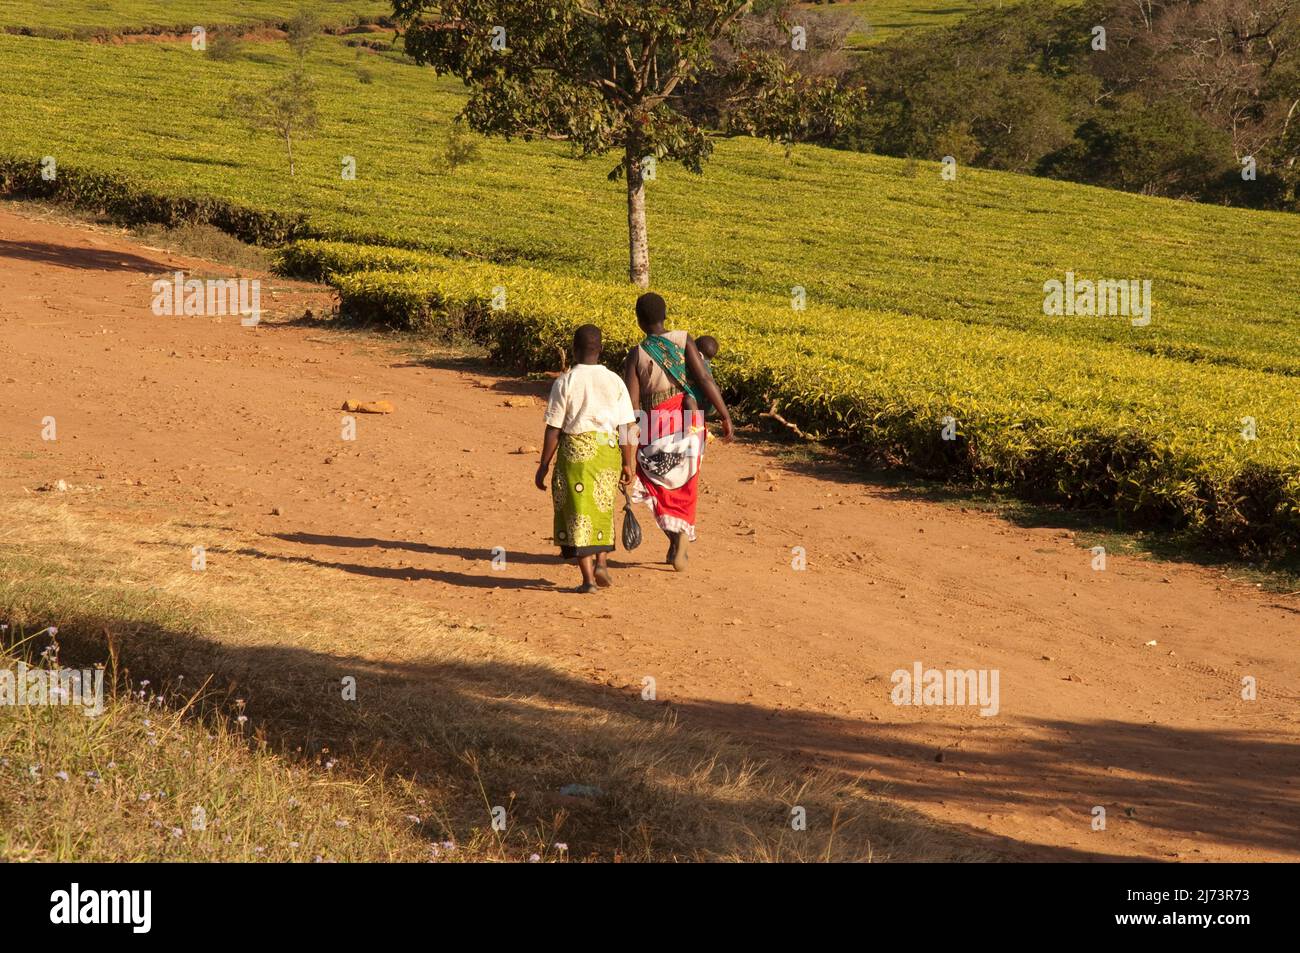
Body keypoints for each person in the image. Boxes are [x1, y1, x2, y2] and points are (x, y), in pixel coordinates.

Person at [622, 292, 733, 573]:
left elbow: (631, 409)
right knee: (685, 484)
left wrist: (625, 447)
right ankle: (679, 538)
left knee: (653, 484)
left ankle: (676, 536)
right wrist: (725, 415)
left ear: (638, 321)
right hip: (691, 421)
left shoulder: (636, 355)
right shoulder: (685, 340)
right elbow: (705, 378)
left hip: (655, 424)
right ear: (665, 315)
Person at [536, 324, 638, 593]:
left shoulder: (566, 381)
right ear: (601, 350)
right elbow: (626, 427)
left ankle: (588, 579)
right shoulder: (615, 380)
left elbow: (554, 428)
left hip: (575, 453)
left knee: (578, 513)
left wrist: (544, 465)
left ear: (573, 350)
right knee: (601, 508)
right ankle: (602, 562)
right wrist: (627, 462)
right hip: (607, 452)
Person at [694, 335, 720, 418]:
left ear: (698, 354)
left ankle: (690, 425)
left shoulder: (699, 364)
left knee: (688, 399)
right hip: (712, 404)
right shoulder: (707, 364)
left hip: (701, 403)